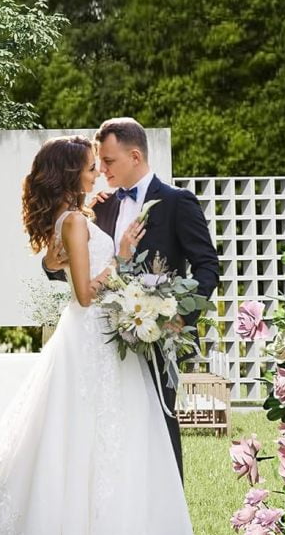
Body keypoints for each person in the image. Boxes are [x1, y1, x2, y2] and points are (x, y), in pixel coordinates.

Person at [0, 135, 204, 535]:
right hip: (93, 332)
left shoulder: (74, 217)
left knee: (95, 437)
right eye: (87, 166)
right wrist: (120, 256)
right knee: (94, 437)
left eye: (100, 164)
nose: (96, 172)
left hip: (94, 336)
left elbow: (57, 263)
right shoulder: (78, 221)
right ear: (68, 173)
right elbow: (84, 293)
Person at [43, 118, 220, 484]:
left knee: (159, 424)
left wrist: (181, 318)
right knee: (111, 431)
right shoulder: (100, 207)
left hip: (159, 333)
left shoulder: (177, 202)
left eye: (108, 161)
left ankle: (169, 512)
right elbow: (71, 267)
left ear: (134, 155)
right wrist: (52, 260)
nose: (101, 169)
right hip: (105, 335)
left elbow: (207, 267)